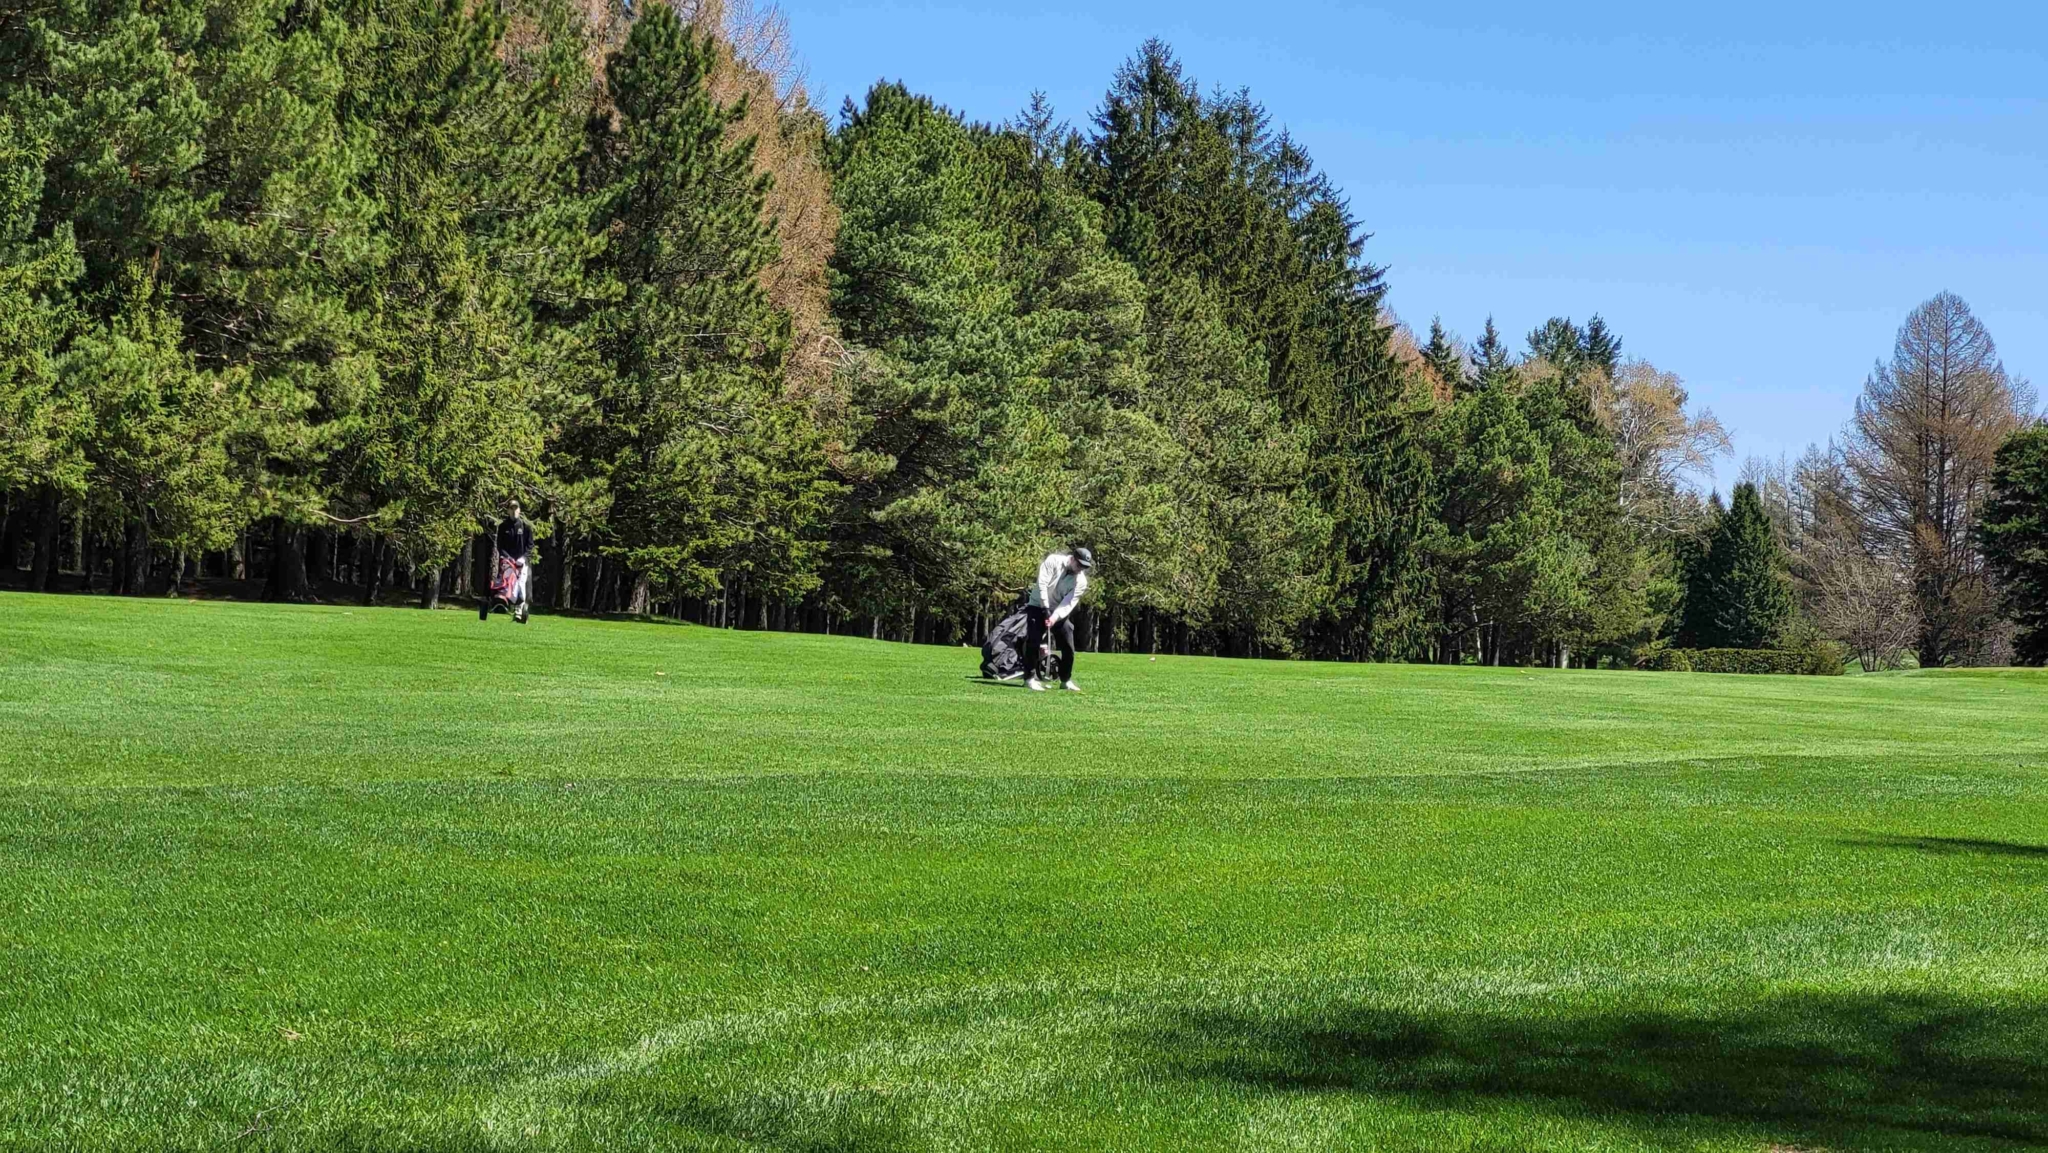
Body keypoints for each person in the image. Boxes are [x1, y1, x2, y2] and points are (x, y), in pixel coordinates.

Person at [1025, 546, 1093, 692]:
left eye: (1084, 567)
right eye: (1079, 565)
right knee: (1034, 640)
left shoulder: (1081, 581)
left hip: (1058, 611)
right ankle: (1029, 678)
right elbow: (1042, 584)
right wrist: (1045, 608)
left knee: (1068, 642)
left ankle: (1066, 680)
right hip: (1037, 605)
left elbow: (1068, 602)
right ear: (1072, 558)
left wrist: (1054, 617)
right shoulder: (1053, 561)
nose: (1080, 569)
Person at [482, 499, 533, 622]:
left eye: (516, 508)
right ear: (508, 510)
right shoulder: (503, 526)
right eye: (511, 508)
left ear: (519, 510)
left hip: (522, 562)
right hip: (507, 560)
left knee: (520, 584)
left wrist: (523, 558)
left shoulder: (526, 527)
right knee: (505, 581)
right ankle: (499, 600)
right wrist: (506, 557)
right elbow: (500, 545)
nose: (514, 511)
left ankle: (519, 610)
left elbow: (530, 546)